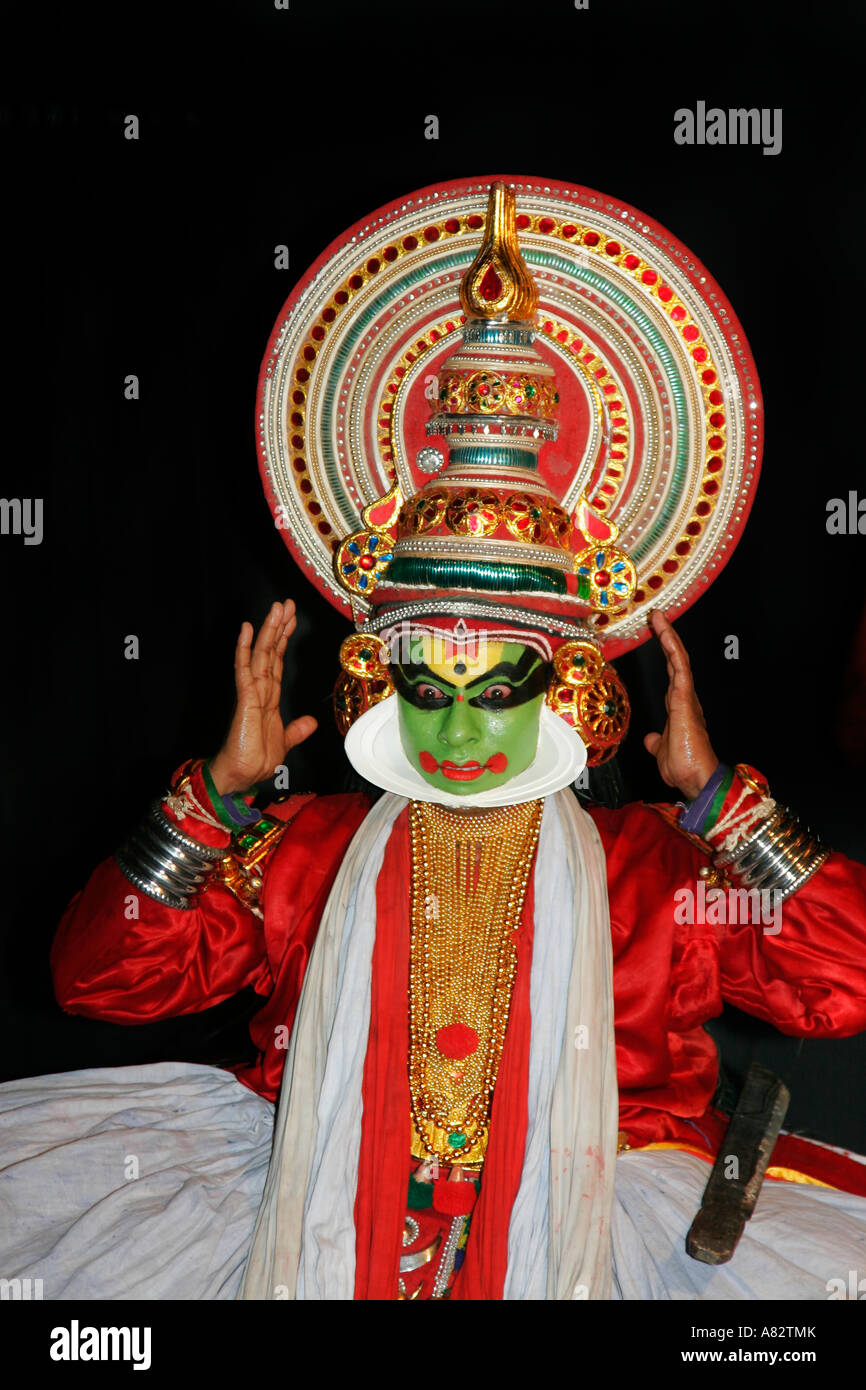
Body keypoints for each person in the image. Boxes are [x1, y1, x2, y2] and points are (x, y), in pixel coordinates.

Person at [6, 181, 866, 1301]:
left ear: (565, 689)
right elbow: (96, 979)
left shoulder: (654, 873)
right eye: (426, 682)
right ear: (378, 682)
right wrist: (211, 798)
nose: (458, 728)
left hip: (603, 1231)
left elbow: (843, 979)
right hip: (304, 1210)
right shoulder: (299, 851)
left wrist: (721, 804)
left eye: (498, 687)